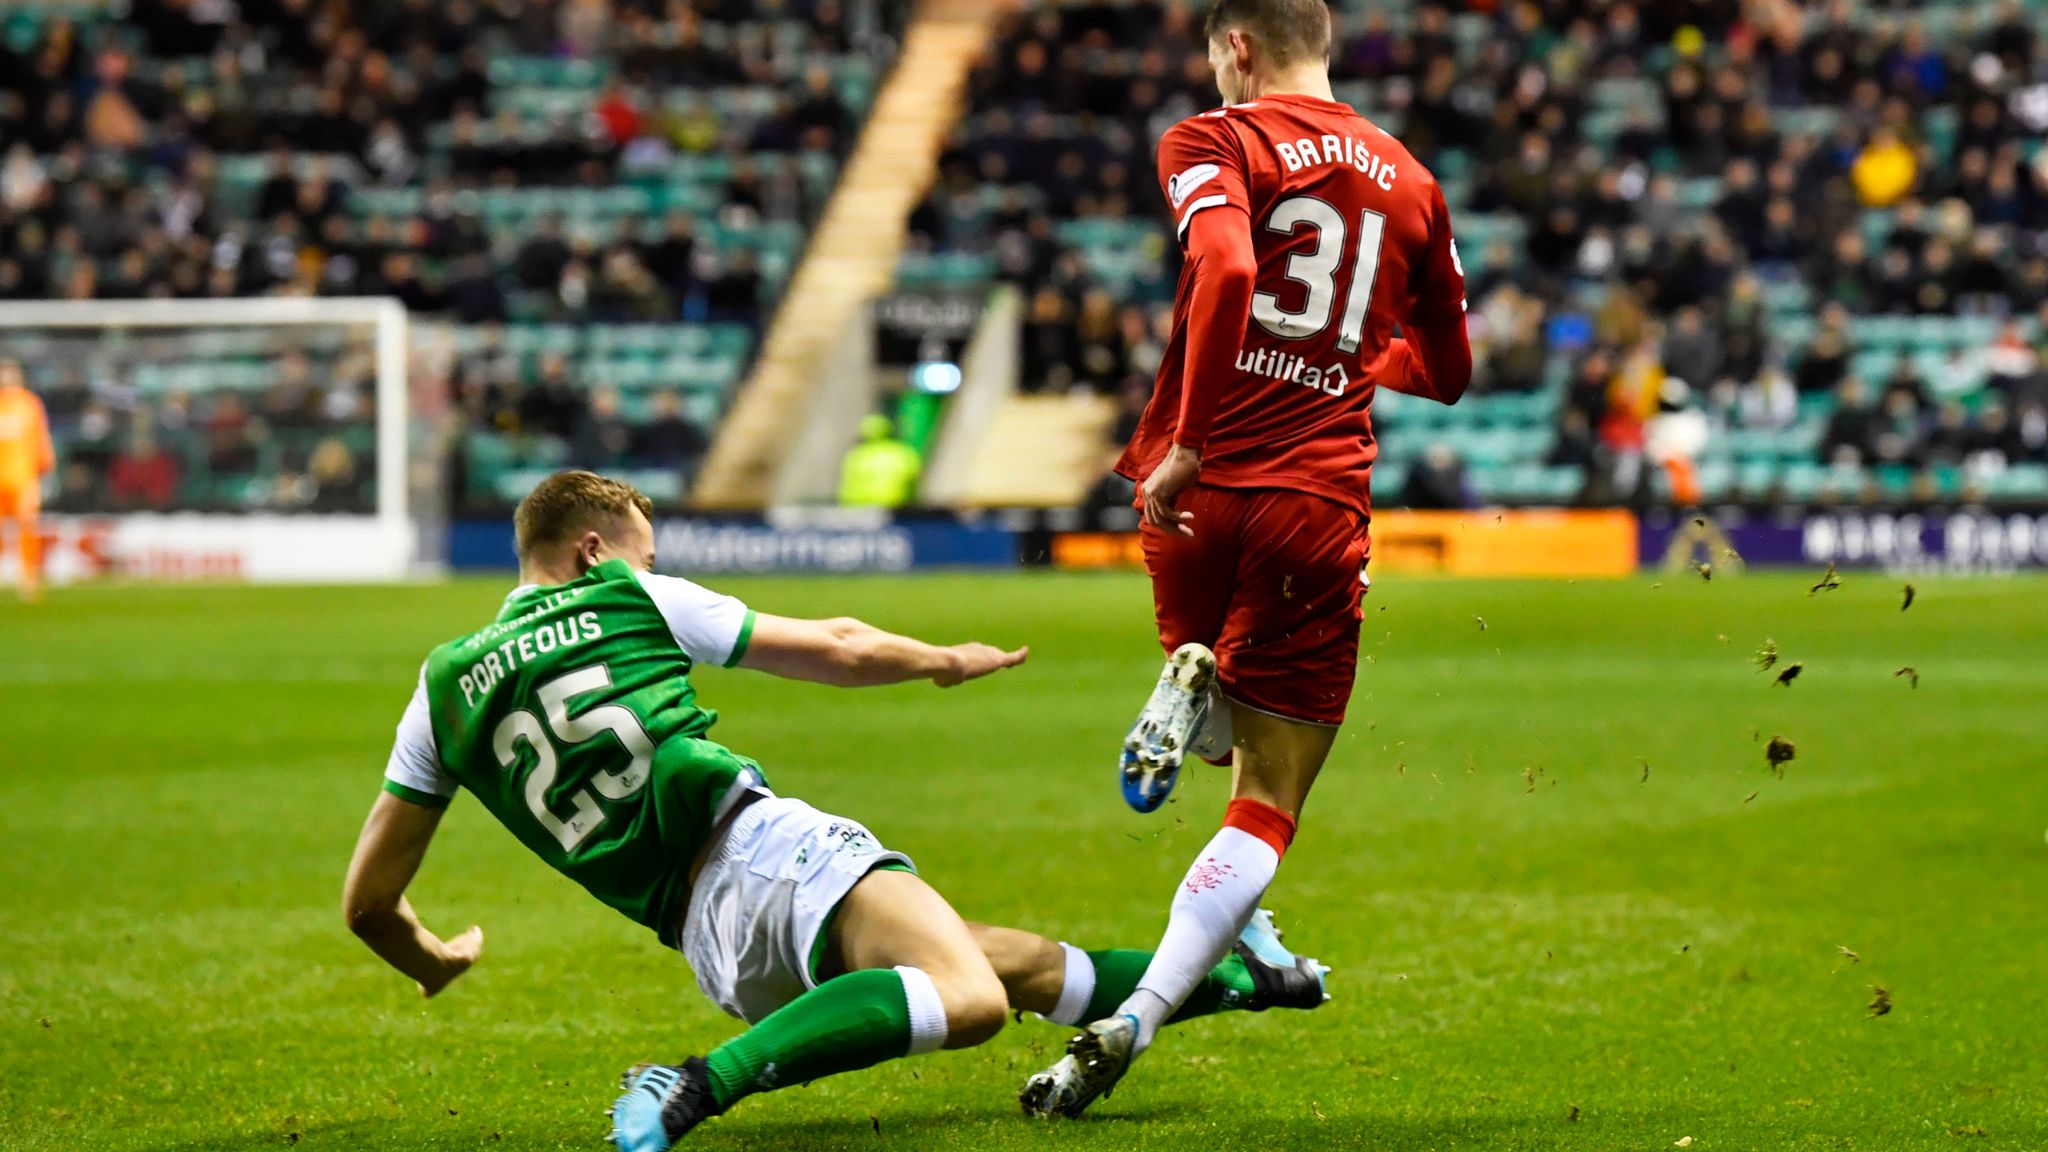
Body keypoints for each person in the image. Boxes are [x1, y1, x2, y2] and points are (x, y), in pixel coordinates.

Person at [343, 471, 1328, 1152]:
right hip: (759, 850)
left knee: (1016, 964)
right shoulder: (621, 595)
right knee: (970, 998)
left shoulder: (441, 692)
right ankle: (696, 1083)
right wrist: (945, 660)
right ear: (593, 549)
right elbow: (840, 646)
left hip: (709, 943)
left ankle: (1246, 978)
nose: (649, 568)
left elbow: (368, 904)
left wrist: (434, 961)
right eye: (644, 554)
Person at [1021, 0, 1468, 1118]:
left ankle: (1199, 698)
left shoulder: (1213, 138)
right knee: (1266, 800)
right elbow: (1450, 370)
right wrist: (1354, 354)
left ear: (1236, 47)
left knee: (1219, 697)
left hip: (1189, 496)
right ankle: (1136, 1019)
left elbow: (1223, 267)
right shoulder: (1413, 181)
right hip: (1311, 503)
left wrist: (1187, 442)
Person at [0, 358, 55, 601]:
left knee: (27, 526)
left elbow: (40, 436)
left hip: (23, 477)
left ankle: (28, 576)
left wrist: (46, 465)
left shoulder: (29, 403)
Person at [836, 414, 921, 508]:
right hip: (893, 507)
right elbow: (913, 479)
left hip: (856, 507)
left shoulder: (856, 454)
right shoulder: (903, 452)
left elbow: (845, 484)